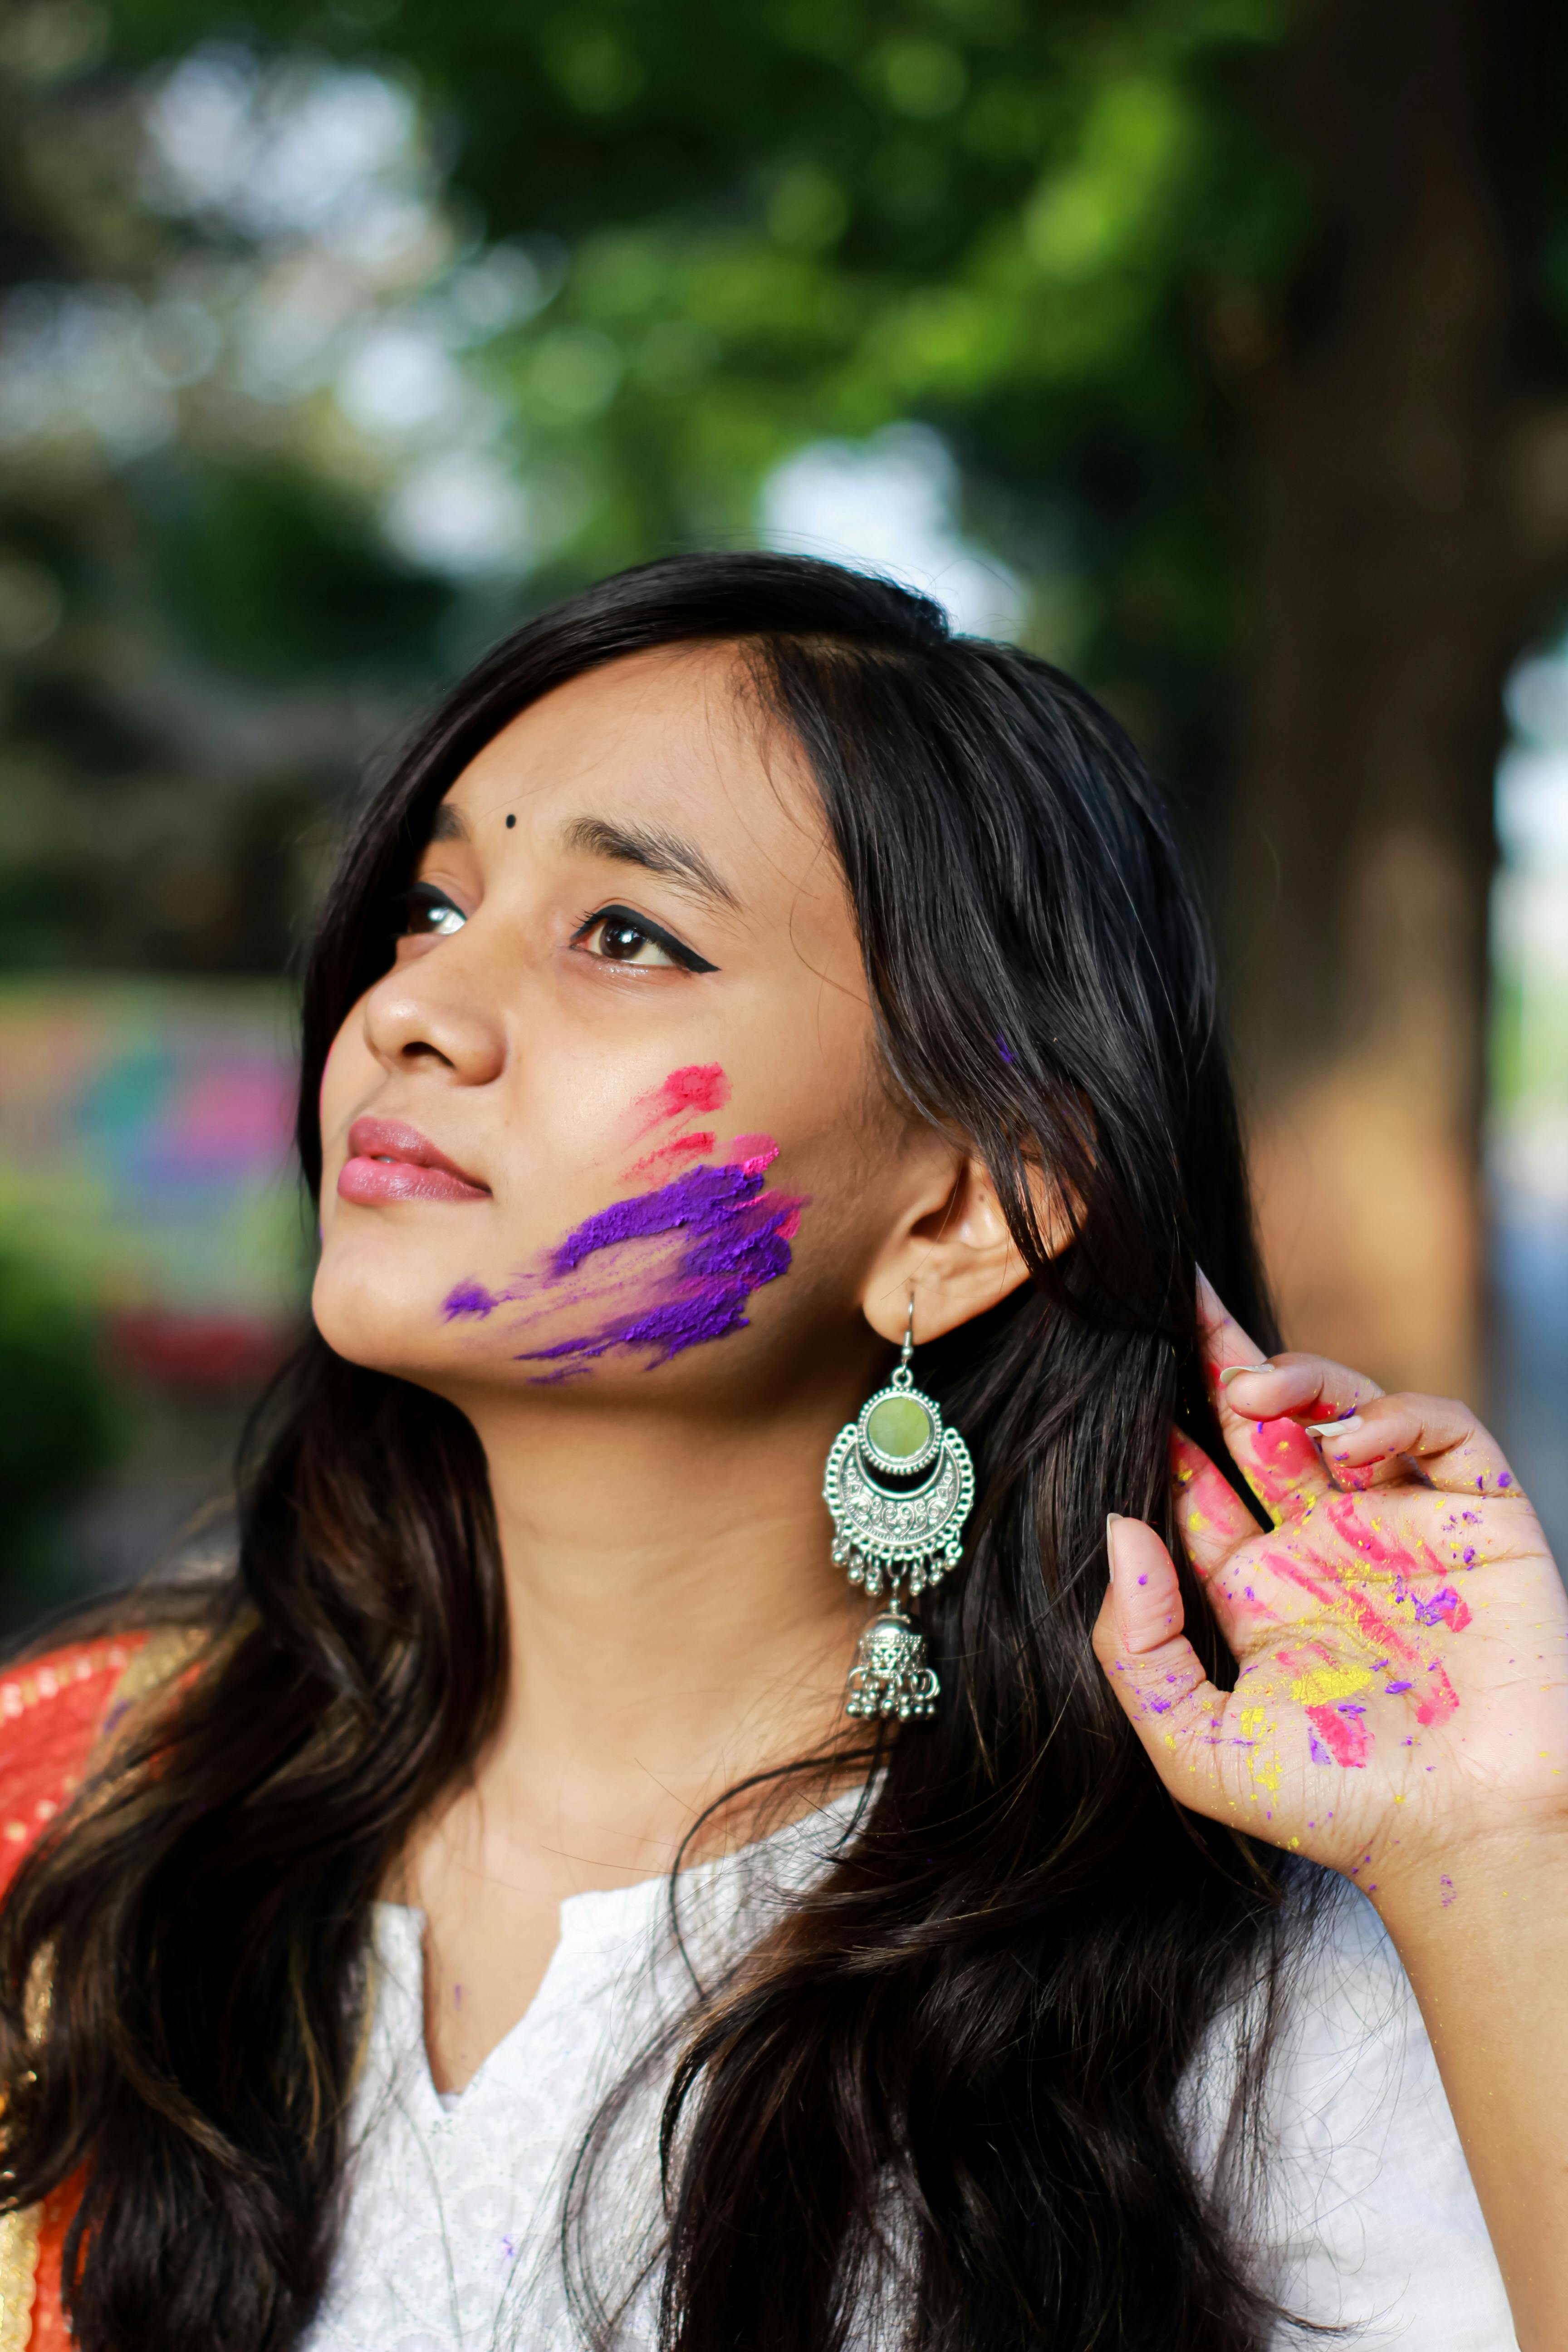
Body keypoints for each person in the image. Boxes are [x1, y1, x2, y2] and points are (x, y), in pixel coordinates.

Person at [0, 554, 1562, 2352]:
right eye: (431, 907)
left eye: (626, 936)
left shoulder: (1256, 2004)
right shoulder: (82, 1814)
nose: (409, 1010)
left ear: (964, 1214)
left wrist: (1504, 1853)